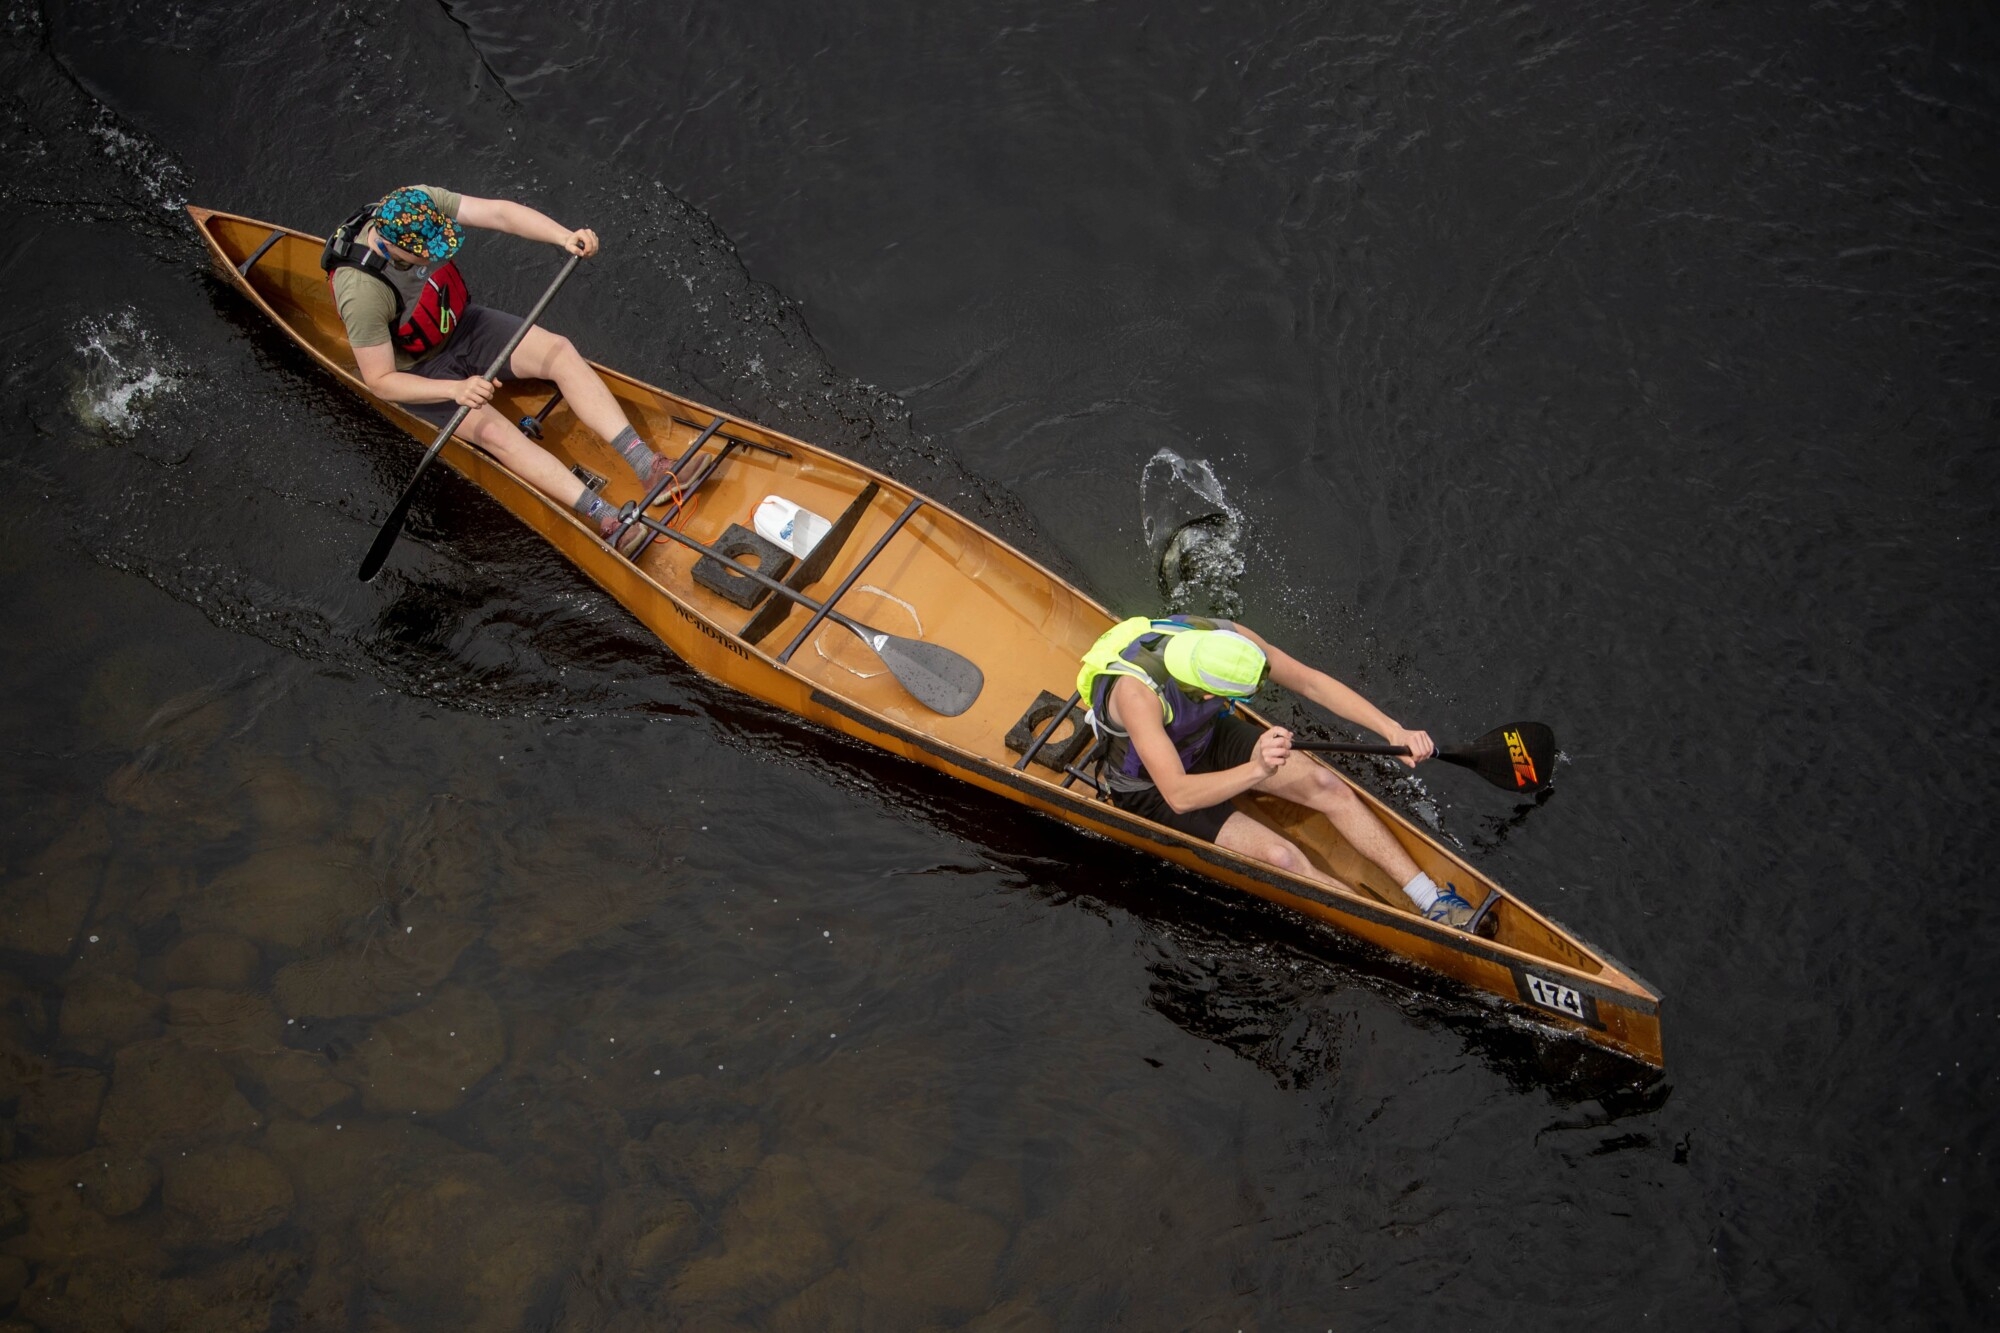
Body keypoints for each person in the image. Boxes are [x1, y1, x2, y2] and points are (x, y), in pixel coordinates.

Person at [1077, 615, 1481, 929]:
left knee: (1325, 785)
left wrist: (1393, 729)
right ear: (1209, 692)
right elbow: (1179, 795)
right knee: (1283, 857)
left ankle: (1432, 900)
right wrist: (1256, 770)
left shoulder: (1226, 638)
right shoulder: (1137, 695)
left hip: (1205, 740)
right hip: (1152, 785)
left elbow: (1312, 684)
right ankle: (1402, 928)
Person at [323, 185, 676, 539]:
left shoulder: (418, 203)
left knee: (561, 351)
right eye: (425, 253)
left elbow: (499, 213)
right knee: (495, 433)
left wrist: (563, 236)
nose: (434, 258)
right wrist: (457, 389)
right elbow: (380, 380)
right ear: (394, 247)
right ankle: (604, 515)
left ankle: (647, 465)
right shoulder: (362, 293)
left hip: (464, 325)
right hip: (420, 370)